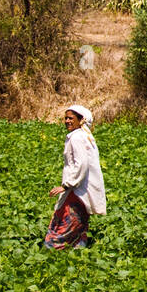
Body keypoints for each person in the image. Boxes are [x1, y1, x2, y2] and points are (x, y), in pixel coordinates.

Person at [45, 104, 106, 249]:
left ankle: (52, 252)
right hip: (81, 189)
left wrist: (66, 185)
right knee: (79, 223)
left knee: (64, 223)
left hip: (76, 189)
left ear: (81, 120)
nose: (67, 121)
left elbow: (82, 164)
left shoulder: (77, 138)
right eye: (65, 118)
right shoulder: (85, 136)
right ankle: (78, 254)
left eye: (71, 118)